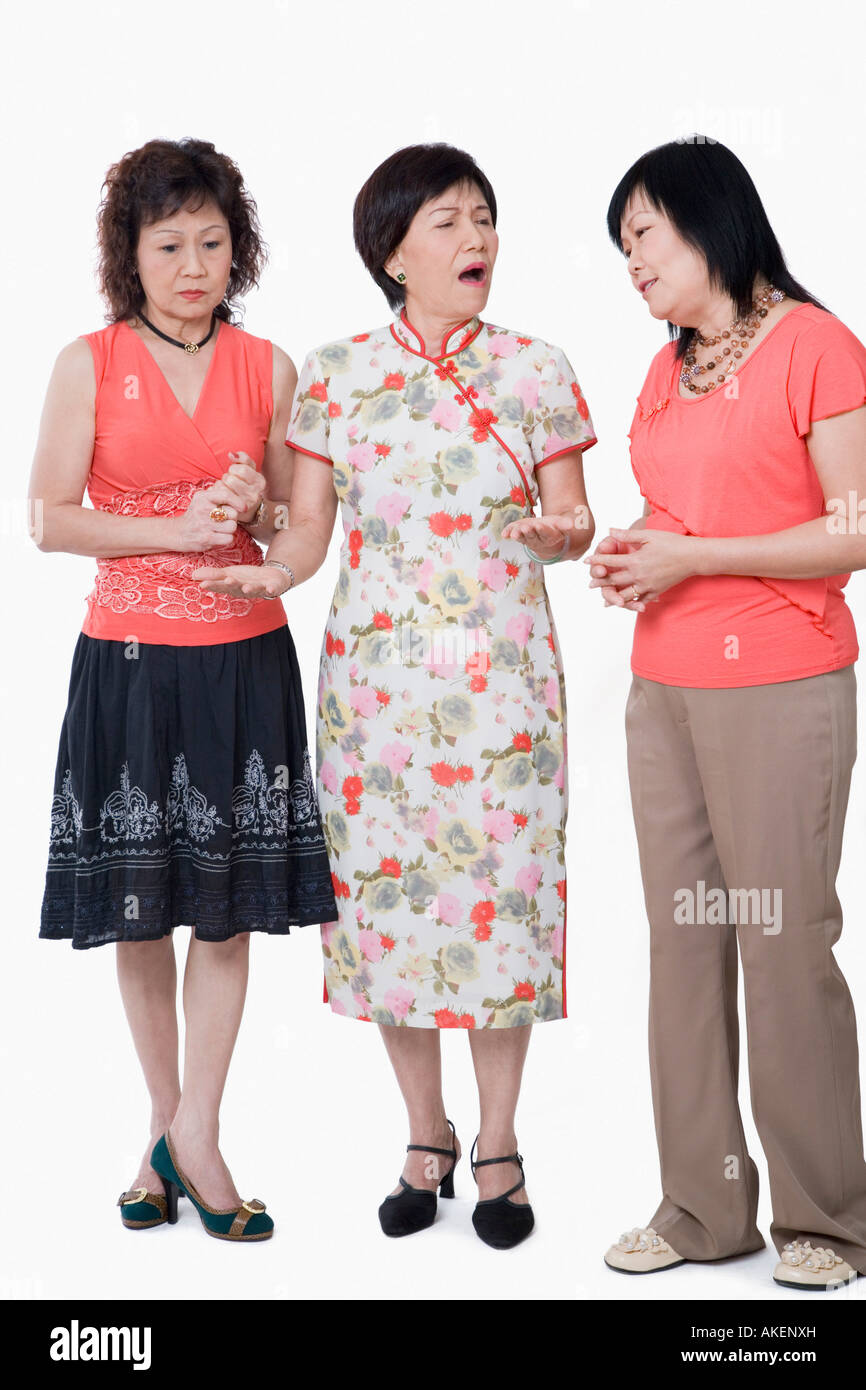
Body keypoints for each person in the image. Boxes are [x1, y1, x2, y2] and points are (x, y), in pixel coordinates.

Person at [194, 142, 598, 1248]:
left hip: (505, 686)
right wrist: (267, 564)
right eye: (448, 223)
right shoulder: (335, 373)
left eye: (484, 218)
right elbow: (310, 531)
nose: (476, 239)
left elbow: (573, 516)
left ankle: (501, 1140)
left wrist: (562, 534)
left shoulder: (537, 366)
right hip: (375, 694)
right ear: (392, 250)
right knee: (394, 911)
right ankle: (423, 1131)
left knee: (505, 906)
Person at [31, 138, 337, 1243]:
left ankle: (190, 1130)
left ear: (237, 246)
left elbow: (292, 527)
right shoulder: (89, 359)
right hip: (127, 660)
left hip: (244, 654)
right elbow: (50, 519)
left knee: (222, 912)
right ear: (132, 252)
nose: (194, 264)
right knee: (138, 906)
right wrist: (177, 525)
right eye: (169, 244)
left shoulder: (272, 369)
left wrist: (255, 510)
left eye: (212, 241)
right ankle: (174, 1128)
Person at [587, 136, 866, 1290]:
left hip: (780, 688)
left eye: (641, 235)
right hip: (666, 692)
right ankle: (702, 1205)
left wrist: (697, 558)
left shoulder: (815, 345)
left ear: (709, 220)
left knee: (781, 937)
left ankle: (826, 1217)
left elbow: (851, 529)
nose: (632, 265)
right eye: (621, 249)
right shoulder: (668, 367)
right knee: (684, 941)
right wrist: (637, 557)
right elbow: (676, 509)